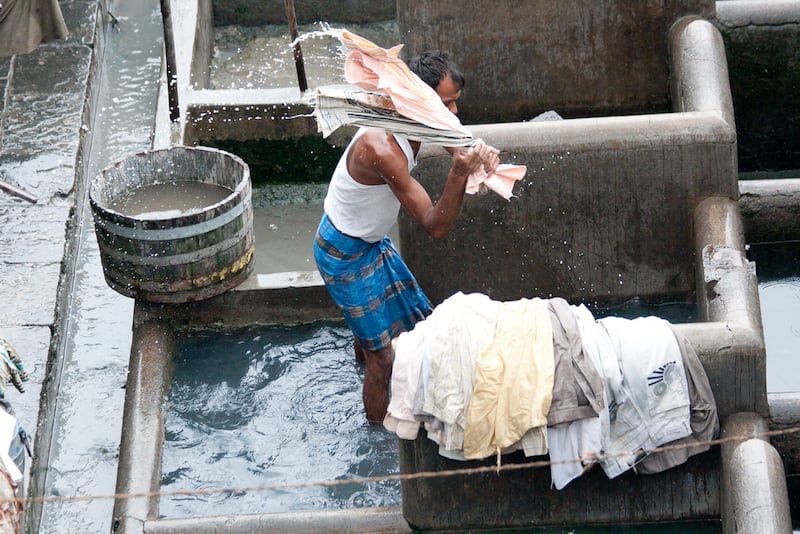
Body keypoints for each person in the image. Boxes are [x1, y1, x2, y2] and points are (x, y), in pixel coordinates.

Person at [313, 50, 500, 423]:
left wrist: (482, 159)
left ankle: (363, 358)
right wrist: (460, 173)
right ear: (422, 101)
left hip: (370, 240)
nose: (454, 114)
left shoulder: (417, 116)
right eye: (447, 105)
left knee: (409, 331)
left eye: (454, 104)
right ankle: (380, 439)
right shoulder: (380, 147)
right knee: (383, 359)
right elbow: (435, 226)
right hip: (343, 252)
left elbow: (459, 145)